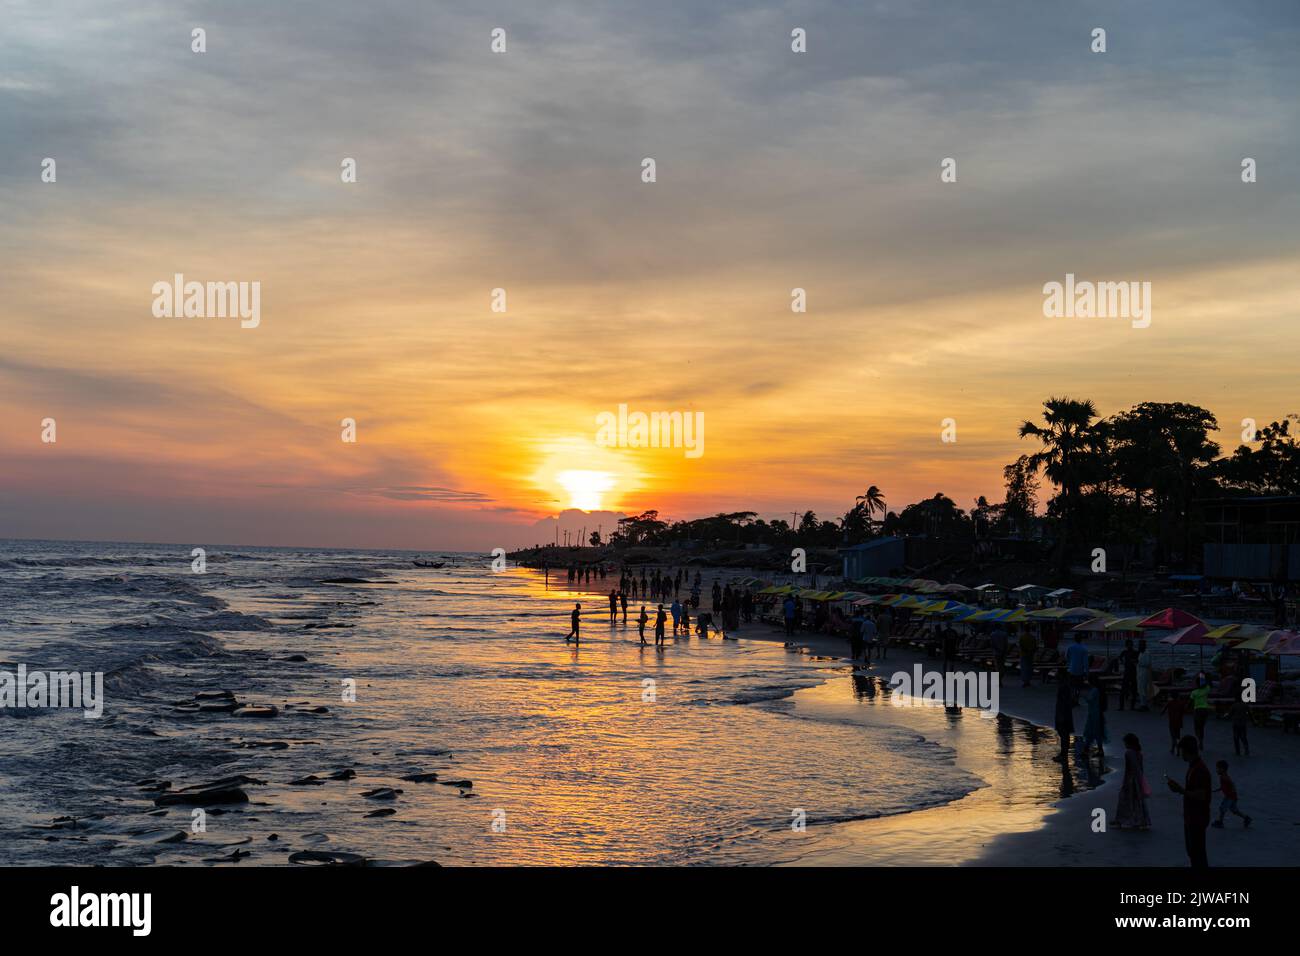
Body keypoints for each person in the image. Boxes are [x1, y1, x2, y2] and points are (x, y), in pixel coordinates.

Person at [1166, 735, 1212, 868]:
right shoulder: (1194, 767)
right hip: (1192, 816)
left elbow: (1201, 795)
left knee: (1197, 853)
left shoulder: (1200, 770)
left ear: (1186, 751)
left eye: (1182, 751)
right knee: (1193, 852)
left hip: (1197, 817)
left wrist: (1181, 790)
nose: (1180, 754)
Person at [1115, 733, 1151, 829]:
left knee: (1124, 799)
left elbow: (1129, 768)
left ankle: (1122, 819)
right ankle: (1140, 819)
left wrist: (1126, 781)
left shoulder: (1129, 753)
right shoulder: (1139, 753)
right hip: (1137, 779)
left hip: (1130, 779)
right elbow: (1140, 768)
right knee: (1137, 800)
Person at [1211, 760, 1251, 829]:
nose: (1216, 770)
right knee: (1234, 810)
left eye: (1217, 768)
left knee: (1222, 808)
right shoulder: (1223, 776)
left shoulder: (1224, 777)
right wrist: (1215, 790)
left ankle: (1220, 822)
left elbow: (1231, 784)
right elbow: (1224, 786)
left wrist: (1232, 791)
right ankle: (1246, 818)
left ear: (1222, 769)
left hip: (1230, 797)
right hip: (1232, 796)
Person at [1079, 674, 1107, 765]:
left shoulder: (1094, 690)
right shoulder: (1097, 690)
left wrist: (1083, 695)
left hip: (1094, 714)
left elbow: (1090, 699)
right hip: (1096, 713)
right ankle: (1097, 750)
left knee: (1092, 731)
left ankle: (1087, 750)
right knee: (1096, 732)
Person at [1053, 667, 1074, 763]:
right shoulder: (1064, 685)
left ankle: (1064, 755)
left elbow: (1065, 702)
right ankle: (1063, 754)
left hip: (1063, 713)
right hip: (1063, 712)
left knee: (1064, 734)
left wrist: (1062, 716)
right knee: (1064, 734)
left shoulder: (1064, 686)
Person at [1190, 676, 1213, 750]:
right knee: (1201, 727)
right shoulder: (1206, 689)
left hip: (1197, 710)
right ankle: (1201, 741)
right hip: (1205, 710)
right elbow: (1209, 682)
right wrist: (1202, 676)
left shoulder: (1194, 692)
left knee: (1197, 727)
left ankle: (1199, 740)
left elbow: (1190, 702)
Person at [1066, 633, 1090, 700]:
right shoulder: (1084, 649)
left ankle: (1072, 697)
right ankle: (1076, 699)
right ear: (1081, 639)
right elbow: (1086, 663)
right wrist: (1087, 673)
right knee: (1078, 686)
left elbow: (1067, 658)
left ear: (1074, 639)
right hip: (1080, 671)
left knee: (1072, 685)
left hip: (1071, 670)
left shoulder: (1070, 648)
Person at [1118, 638, 1139, 711]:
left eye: (1131, 645)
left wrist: (1135, 661)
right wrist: (1123, 662)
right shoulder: (1124, 652)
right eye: (1129, 645)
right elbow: (1120, 658)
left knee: (1134, 690)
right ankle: (1121, 706)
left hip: (1133, 673)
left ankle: (1132, 706)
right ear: (1126, 645)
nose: (1130, 646)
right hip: (1126, 673)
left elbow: (1139, 661)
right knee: (1123, 690)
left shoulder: (1136, 652)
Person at [1229, 691, 1251, 757]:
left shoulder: (1234, 705)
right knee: (1243, 737)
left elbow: (1230, 713)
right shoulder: (1245, 705)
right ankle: (1246, 749)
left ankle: (1237, 751)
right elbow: (1250, 713)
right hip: (1243, 723)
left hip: (1236, 723)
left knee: (1236, 738)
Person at [1136, 639, 1152, 710]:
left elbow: (1147, 663)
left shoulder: (1147, 653)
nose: (1139, 646)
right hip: (1139, 673)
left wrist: (1138, 662)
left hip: (1144, 673)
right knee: (1140, 689)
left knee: (1143, 689)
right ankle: (1142, 704)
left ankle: (1144, 705)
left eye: (1140, 645)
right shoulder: (1140, 653)